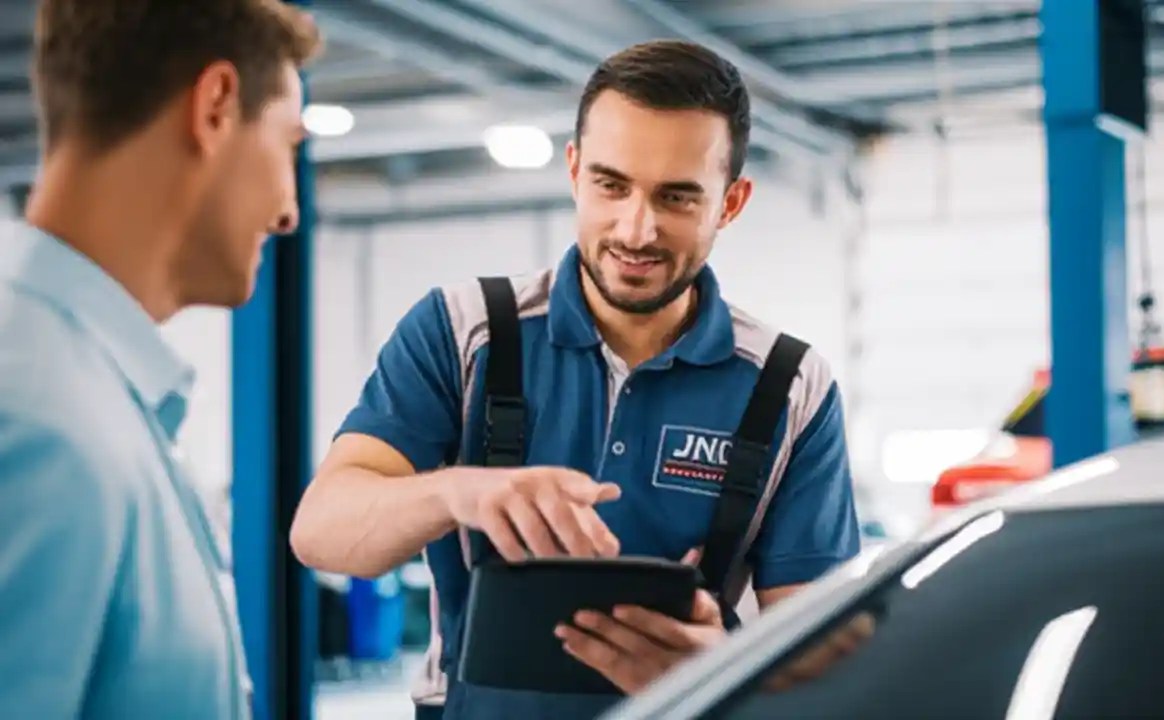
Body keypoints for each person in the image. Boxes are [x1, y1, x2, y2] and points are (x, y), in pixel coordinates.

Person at [290, 40, 860, 720]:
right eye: (611, 185)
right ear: (574, 170)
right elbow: (321, 532)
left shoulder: (789, 385)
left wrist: (730, 668)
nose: (636, 229)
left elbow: (829, 655)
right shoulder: (465, 331)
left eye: (677, 197)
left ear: (730, 202)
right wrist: (458, 492)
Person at [0, 2, 320, 718]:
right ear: (215, 107)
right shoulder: (35, 423)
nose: (288, 208)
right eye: (288, 146)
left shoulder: (94, 392)